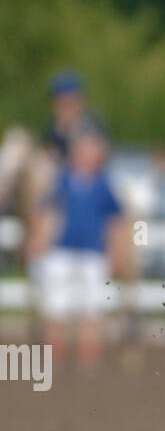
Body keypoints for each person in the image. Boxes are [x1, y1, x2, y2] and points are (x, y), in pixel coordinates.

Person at [29, 118, 123, 365]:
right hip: (60, 250)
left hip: (93, 252)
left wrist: (115, 251)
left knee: (92, 304)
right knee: (55, 304)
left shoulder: (104, 184)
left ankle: (88, 353)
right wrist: (38, 239)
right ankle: (55, 352)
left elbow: (115, 220)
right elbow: (45, 209)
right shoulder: (61, 179)